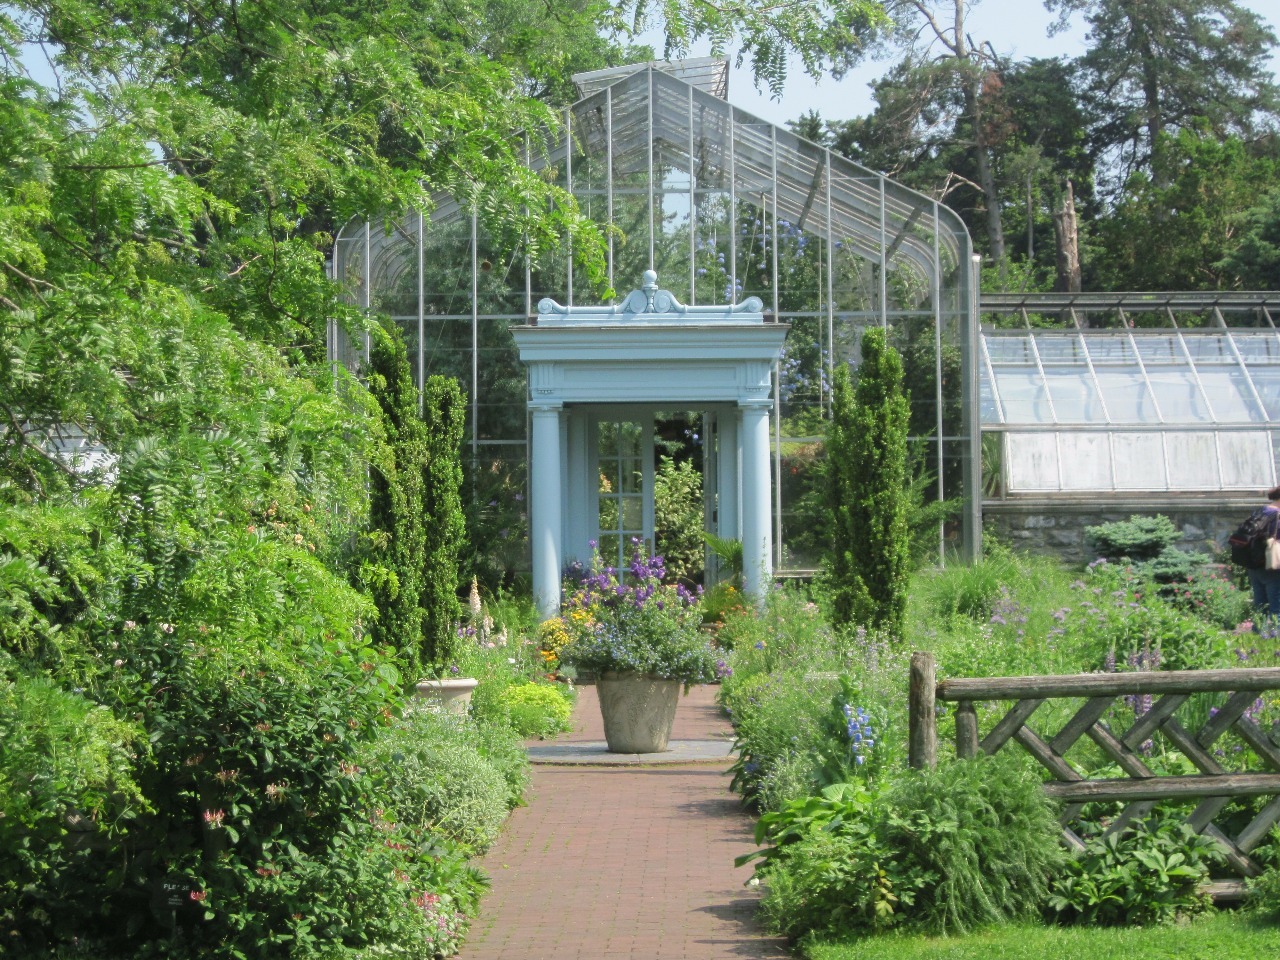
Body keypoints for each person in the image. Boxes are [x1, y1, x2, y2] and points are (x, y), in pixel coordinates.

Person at [1247, 486, 1280, 629]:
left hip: (1255, 565)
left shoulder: (1259, 512)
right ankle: (1274, 643)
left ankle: (1256, 643)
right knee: (1277, 610)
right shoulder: (1277, 515)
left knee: (1260, 608)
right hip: (1273, 565)